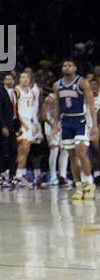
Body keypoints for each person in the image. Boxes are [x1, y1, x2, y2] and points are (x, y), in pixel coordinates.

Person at [48, 59, 97, 201]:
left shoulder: (82, 82)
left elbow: (91, 105)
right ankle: (78, 185)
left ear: (75, 67)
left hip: (81, 119)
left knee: (81, 152)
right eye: (64, 65)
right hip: (67, 120)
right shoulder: (57, 85)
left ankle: (89, 183)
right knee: (72, 156)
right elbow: (57, 105)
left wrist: (94, 125)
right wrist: (56, 122)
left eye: (69, 65)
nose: (66, 67)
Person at [13, 68, 42, 187]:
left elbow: (33, 109)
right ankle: (18, 175)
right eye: (22, 77)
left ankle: (20, 173)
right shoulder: (17, 90)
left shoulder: (31, 91)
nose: (25, 80)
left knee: (26, 150)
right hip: (22, 123)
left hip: (30, 123)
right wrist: (21, 123)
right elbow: (15, 109)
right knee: (23, 149)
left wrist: (35, 124)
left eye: (27, 78)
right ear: (19, 79)